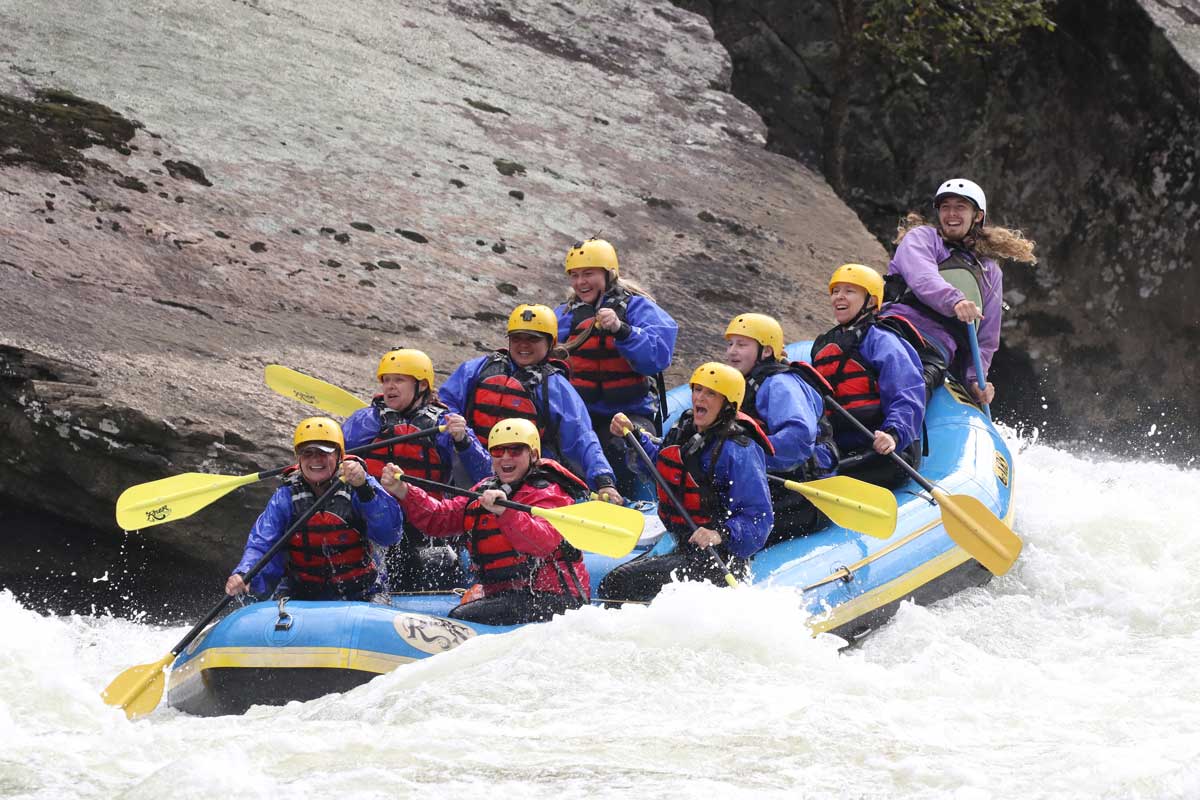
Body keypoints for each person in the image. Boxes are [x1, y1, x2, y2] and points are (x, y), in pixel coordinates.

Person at [379, 418, 591, 625]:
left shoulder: (550, 493)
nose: (505, 458)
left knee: (463, 617)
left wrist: (506, 513)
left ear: (533, 454)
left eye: (515, 450)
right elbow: (441, 518)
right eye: (498, 451)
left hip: (555, 599)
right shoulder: (485, 488)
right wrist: (405, 491)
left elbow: (542, 542)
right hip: (508, 594)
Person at [597, 363, 774, 603]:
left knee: (617, 583)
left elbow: (758, 517)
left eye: (711, 393)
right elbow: (659, 466)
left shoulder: (738, 450)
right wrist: (634, 436)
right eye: (697, 390)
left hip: (721, 559)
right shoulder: (685, 430)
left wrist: (719, 533)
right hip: (688, 550)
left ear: (728, 404)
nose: (700, 397)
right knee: (621, 582)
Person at [440, 302, 623, 503]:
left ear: (550, 343)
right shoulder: (475, 370)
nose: (523, 345)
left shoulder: (557, 388)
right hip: (472, 461)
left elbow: (583, 437)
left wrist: (603, 480)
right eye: (517, 338)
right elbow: (447, 404)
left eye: (533, 339)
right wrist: (462, 434)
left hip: (528, 476)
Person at [342, 348, 491, 591]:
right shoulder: (366, 421)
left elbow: (484, 475)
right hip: (376, 523)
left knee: (442, 562)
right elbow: (334, 459)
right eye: (386, 380)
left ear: (421, 386)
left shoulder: (445, 423)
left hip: (428, 525)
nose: (390, 387)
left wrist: (463, 440)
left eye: (399, 380)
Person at [885, 178, 1037, 405]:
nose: (951, 213)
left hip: (937, 346)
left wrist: (975, 380)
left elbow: (986, 338)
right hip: (896, 325)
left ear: (977, 216)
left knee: (922, 378)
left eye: (960, 207)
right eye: (945, 207)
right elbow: (922, 276)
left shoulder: (989, 271)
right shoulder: (922, 238)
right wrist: (955, 301)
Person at [224, 416, 403, 602]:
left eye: (324, 453)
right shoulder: (286, 497)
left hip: (360, 594)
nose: (316, 460)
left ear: (339, 455)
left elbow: (390, 534)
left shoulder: (359, 484)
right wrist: (245, 573)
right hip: (302, 596)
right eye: (307, 453)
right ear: (298, 458)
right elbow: (262, 543)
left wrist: (364, 489)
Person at [554, 238, 678, 497]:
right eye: (574, 275)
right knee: (564, 452)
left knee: (620, 449)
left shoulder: (637, 307)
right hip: (580, 415)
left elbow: (658, 356)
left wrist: (622, 330)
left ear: (608, 274)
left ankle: (635, 504)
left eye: (589, 274)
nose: (580, 282)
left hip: (630, 414)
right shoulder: (564, 316)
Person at [724, 313, 837, 541]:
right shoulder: (740, 385)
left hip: (804, 490)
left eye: (742, 344)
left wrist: (740, 458)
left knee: (728, 530)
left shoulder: (780, 383)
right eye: (730, 344)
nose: (732, 351)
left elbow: (798, 440)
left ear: (766, 351)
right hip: (767, 483)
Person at [812, 265, 927, 488]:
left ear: (872, 301)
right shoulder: (824, 345)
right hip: (839, 446)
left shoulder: (884, 342)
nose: (839, 297)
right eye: (835, 291)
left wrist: (893, 434)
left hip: (883, 449)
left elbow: (907, 395)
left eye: (849, 291)